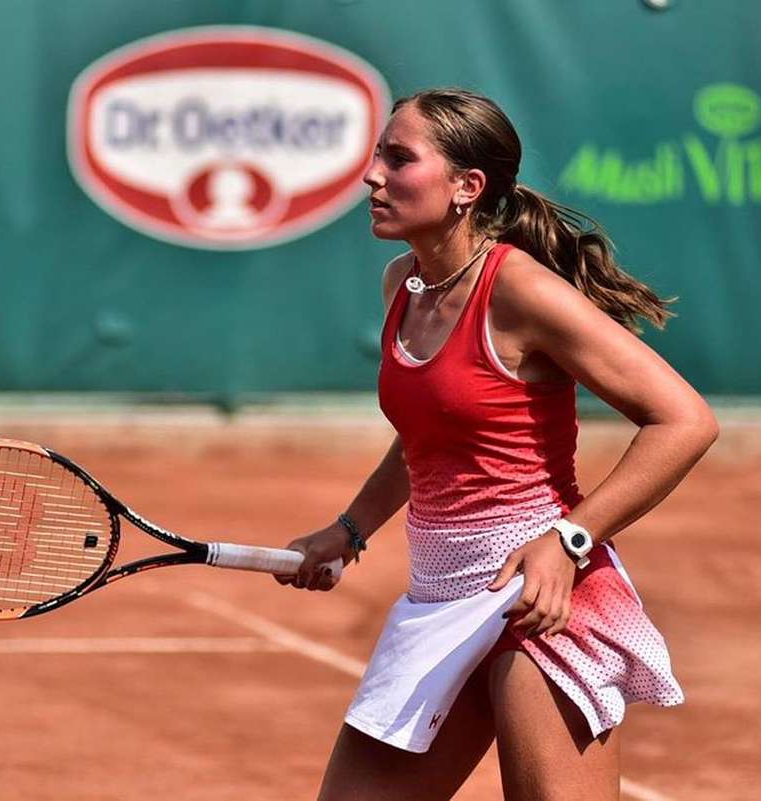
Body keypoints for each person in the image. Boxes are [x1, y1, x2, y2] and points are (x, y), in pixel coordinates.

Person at [276, 88, 718, 801]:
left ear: (466, 187)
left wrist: (569, 541)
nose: (372, 175)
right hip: (439, 598)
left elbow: (685, 420)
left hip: (540, 595)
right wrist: (348, 528)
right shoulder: (404, 284)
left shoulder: (519, 290)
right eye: (377, 155)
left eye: (399, 157)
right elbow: (426, 439)